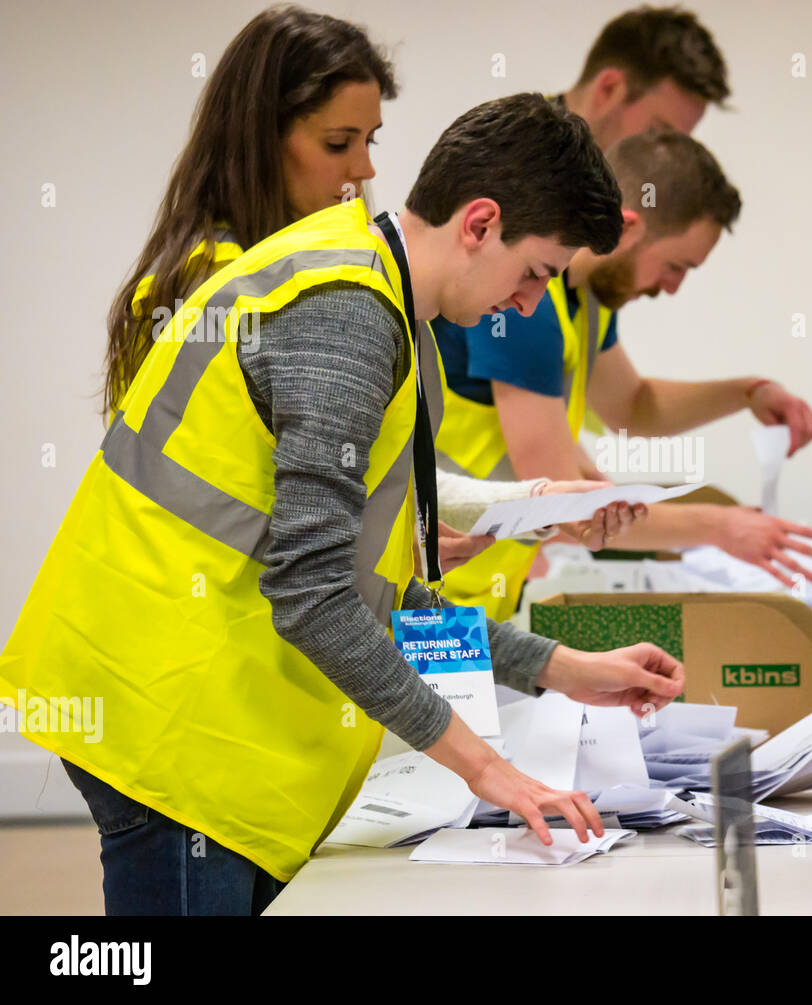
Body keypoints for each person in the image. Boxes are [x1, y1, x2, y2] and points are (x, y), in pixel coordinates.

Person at [0, 91, 686, 916]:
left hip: (208, 701)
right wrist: (486, 767)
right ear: (478, 223)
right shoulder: (348, 316)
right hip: (171, 710)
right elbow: (314, 595)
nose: (532, 303)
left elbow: (376, 586)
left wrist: (566, 670)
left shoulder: (382, 296)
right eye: (535, 271)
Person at [107, 5, 636, 575]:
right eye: (339, 143)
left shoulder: (350, 284)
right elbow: (294, 540)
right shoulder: (269, 291)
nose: (365, 170)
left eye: (371, 141)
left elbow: (358, 479)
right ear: (259, 142)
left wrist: (530, 504)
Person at [432, 127, 812, 619]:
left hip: (476, 599)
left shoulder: (585, 301)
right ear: (632, 228)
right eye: (676, 265)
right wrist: (721, 527)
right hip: (433, 597)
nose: (674, 286)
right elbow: (562, 502)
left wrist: (747, 393)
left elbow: (633, 406)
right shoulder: (524, 308)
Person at [556, 5, 730, 149]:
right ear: (608, 89)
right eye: (655, 133)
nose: (665, 157)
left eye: (677, 145)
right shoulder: (530, 163)